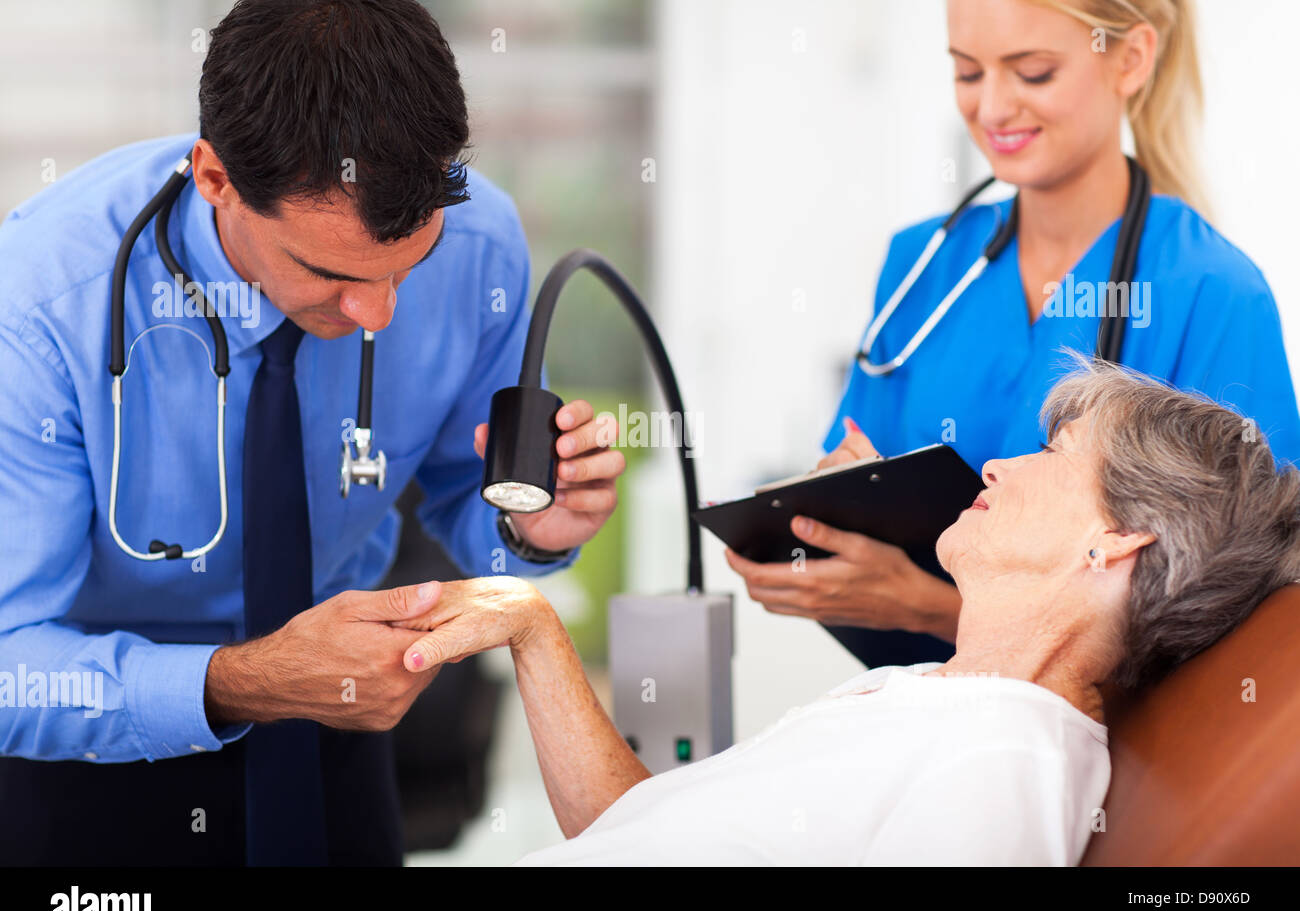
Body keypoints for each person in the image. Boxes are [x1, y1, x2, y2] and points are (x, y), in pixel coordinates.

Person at [0, 0, 624, 866]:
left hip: (340, 734)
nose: (378, 311)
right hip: (93, 753)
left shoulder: (481, 248)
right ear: (215, 178)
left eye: (408, 265)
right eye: (330, 272)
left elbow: (465, 496)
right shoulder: (36, 307)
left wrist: (525, 528)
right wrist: (247, 681)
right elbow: (9, 668)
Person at [397, 356, 1300, 865]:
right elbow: (629, 831)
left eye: (1050, 456)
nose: (994, 467)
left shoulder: (1005, 761)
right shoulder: (932, 694)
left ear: (1115, 541)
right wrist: (531, 622)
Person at [725, 0, 1300, 669]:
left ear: (1132, 59)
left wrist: (928, 607)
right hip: (911, 715)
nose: (993, 108)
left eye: (1032, 73)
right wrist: (817, 526)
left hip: (1093, 754)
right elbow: (854, 463)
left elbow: (1239, 618)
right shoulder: (922, 269)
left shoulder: (1210, 291)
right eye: (968, 73)